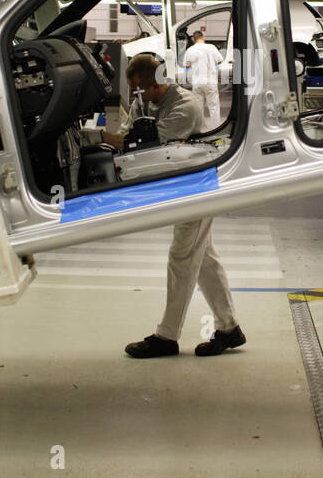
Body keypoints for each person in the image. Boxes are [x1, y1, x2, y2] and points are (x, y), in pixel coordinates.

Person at [102, 54, 245, 359]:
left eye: (138, 90)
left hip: (199, 185)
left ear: (154, 84)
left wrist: (105, 137)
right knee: (203, 258)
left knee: (181, 256)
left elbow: (144, 143)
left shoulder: (186, 104)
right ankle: (229, 329)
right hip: (180, 187)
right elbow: (129, 133)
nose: (136, 98)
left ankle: (167, 336)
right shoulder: (145, 102)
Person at [182, 29, 224, 126]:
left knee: (199, 107)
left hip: (197, 83)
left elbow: (186, 66)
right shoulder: (211, 47)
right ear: (203, 37)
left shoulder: (190, 50)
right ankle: (216, 129)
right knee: (214, 107)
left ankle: (201, 129)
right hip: (210, 82)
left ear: (193, 39)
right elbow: (220, 60)